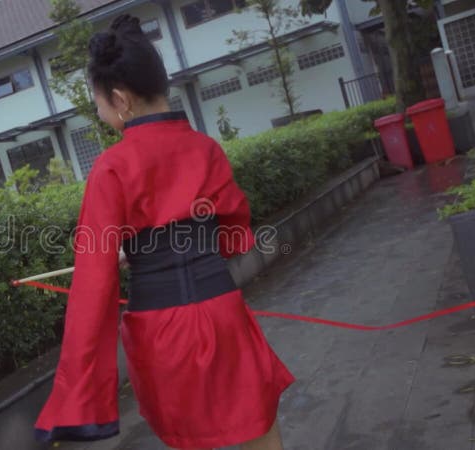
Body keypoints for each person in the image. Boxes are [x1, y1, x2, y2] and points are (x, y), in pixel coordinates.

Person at [34, 14, 295, 450]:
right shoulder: (206, 149)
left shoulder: (111, 167)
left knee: (193, 437)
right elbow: (234, 231)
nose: (100, 113)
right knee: (257, 421)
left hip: (163, 331)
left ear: (120, 100)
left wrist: (75, 398)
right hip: (223, 309)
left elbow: (93, 283)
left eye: (98, 103)